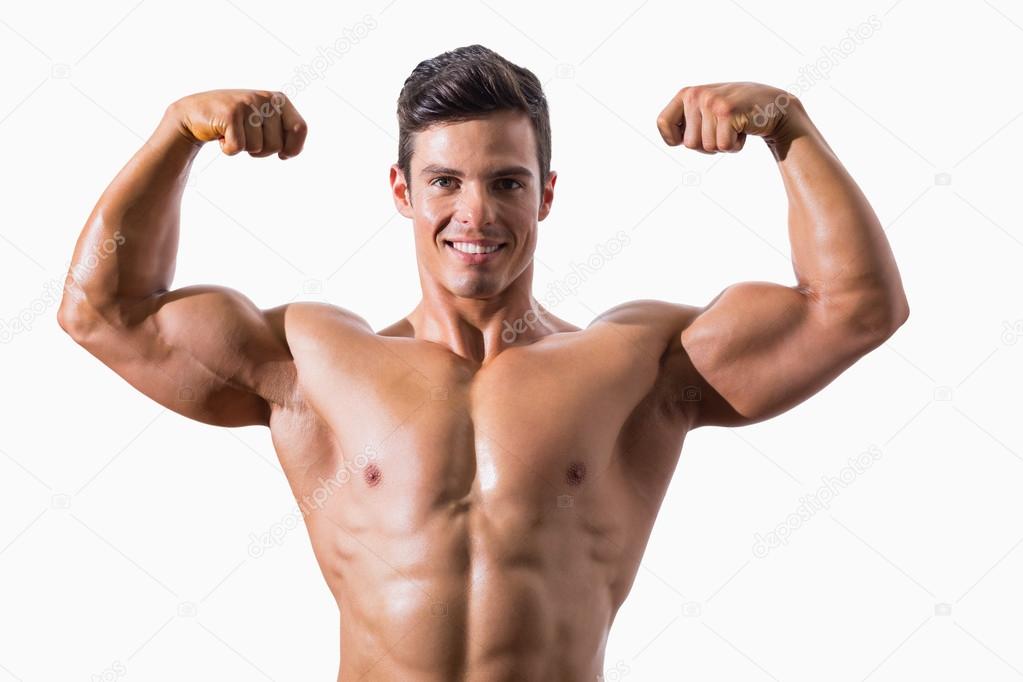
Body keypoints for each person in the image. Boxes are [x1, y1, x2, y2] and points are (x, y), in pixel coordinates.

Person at [58, 44, 909, 680]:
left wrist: (786, 125)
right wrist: (176, 134)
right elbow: (103, 312)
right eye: (444, 182)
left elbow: (854, 307)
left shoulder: (634, 364)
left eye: (506, 182)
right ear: (402, 192)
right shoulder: (313, 360)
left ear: (545, 193)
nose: (475, 212)